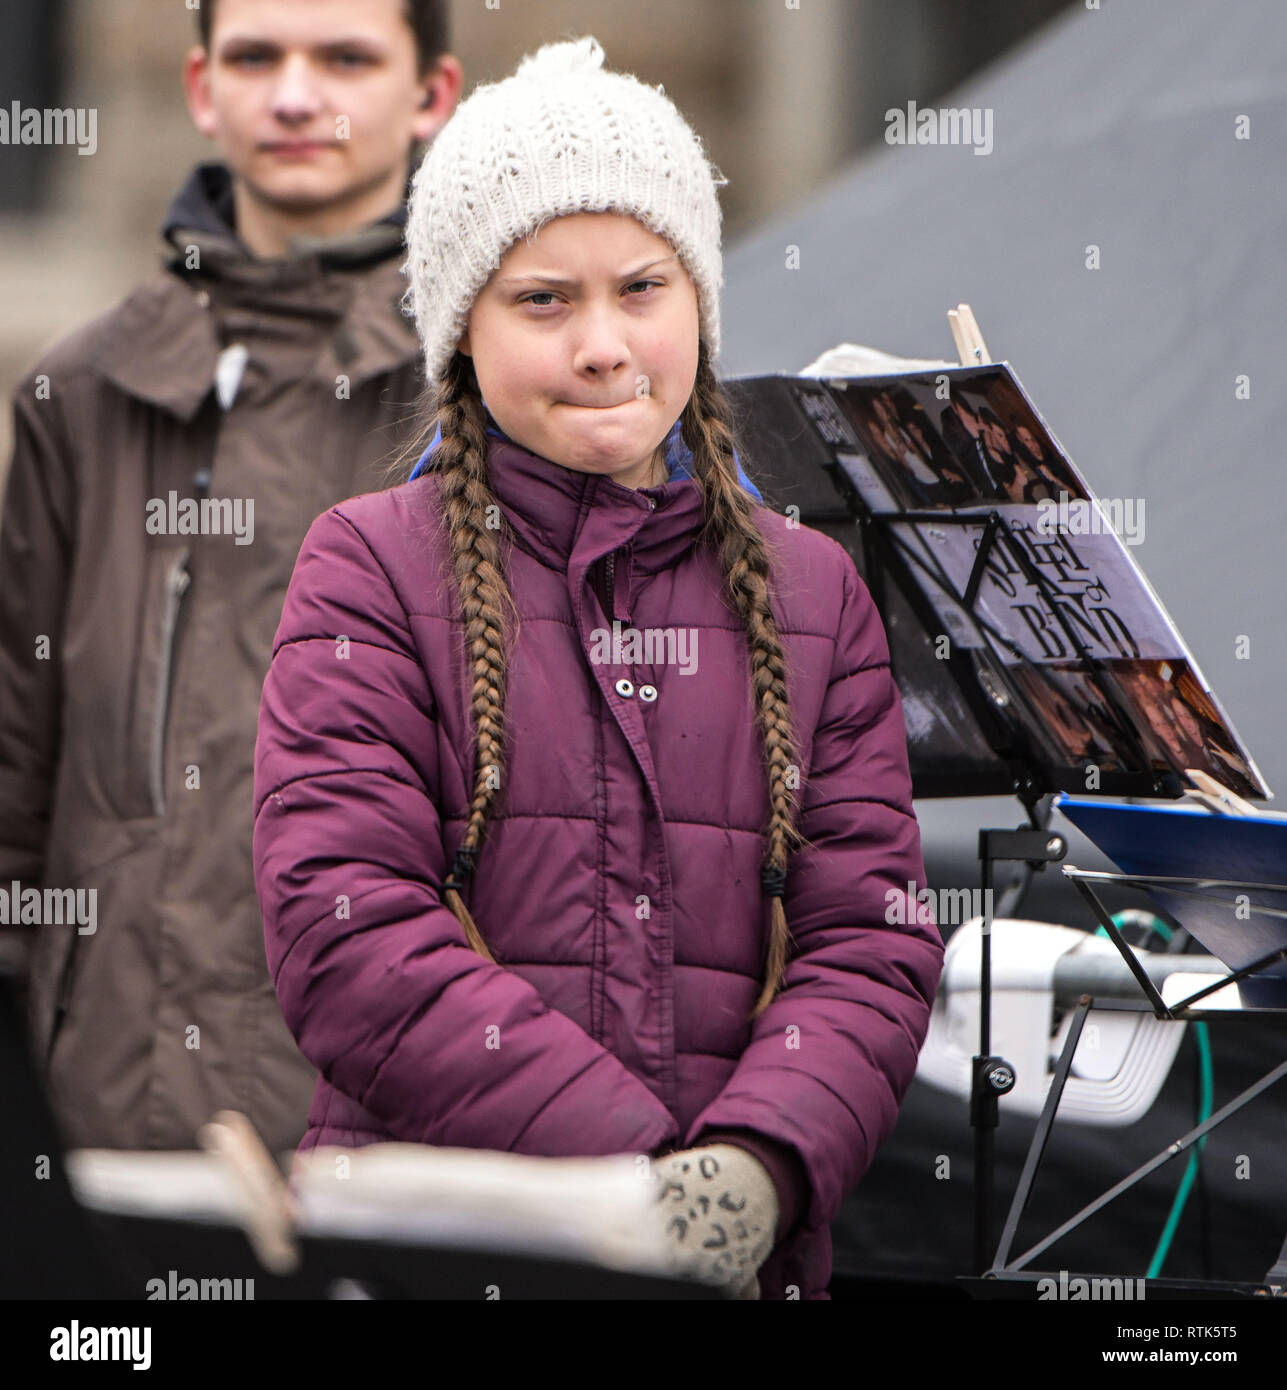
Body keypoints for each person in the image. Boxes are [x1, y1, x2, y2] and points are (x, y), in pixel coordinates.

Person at [253, 35, 943, 1301]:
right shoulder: (367, 568)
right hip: (438, 1252)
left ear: (699, 304)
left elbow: (872, 944)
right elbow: (345, 933)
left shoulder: (815, 594)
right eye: (542, 300)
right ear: (461, 332)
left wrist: (755, 1169)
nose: (604, 345)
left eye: (643, 287)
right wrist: (639, 1181)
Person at [0, 0, 462, 1153]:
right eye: (258, 57)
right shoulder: (86, 393)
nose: (296, 96)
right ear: (203, 88)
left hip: (393, 1139)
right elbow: (17, 793)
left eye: (346, 57)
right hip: (107, 1119)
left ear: (432, 96)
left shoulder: (490, 395)